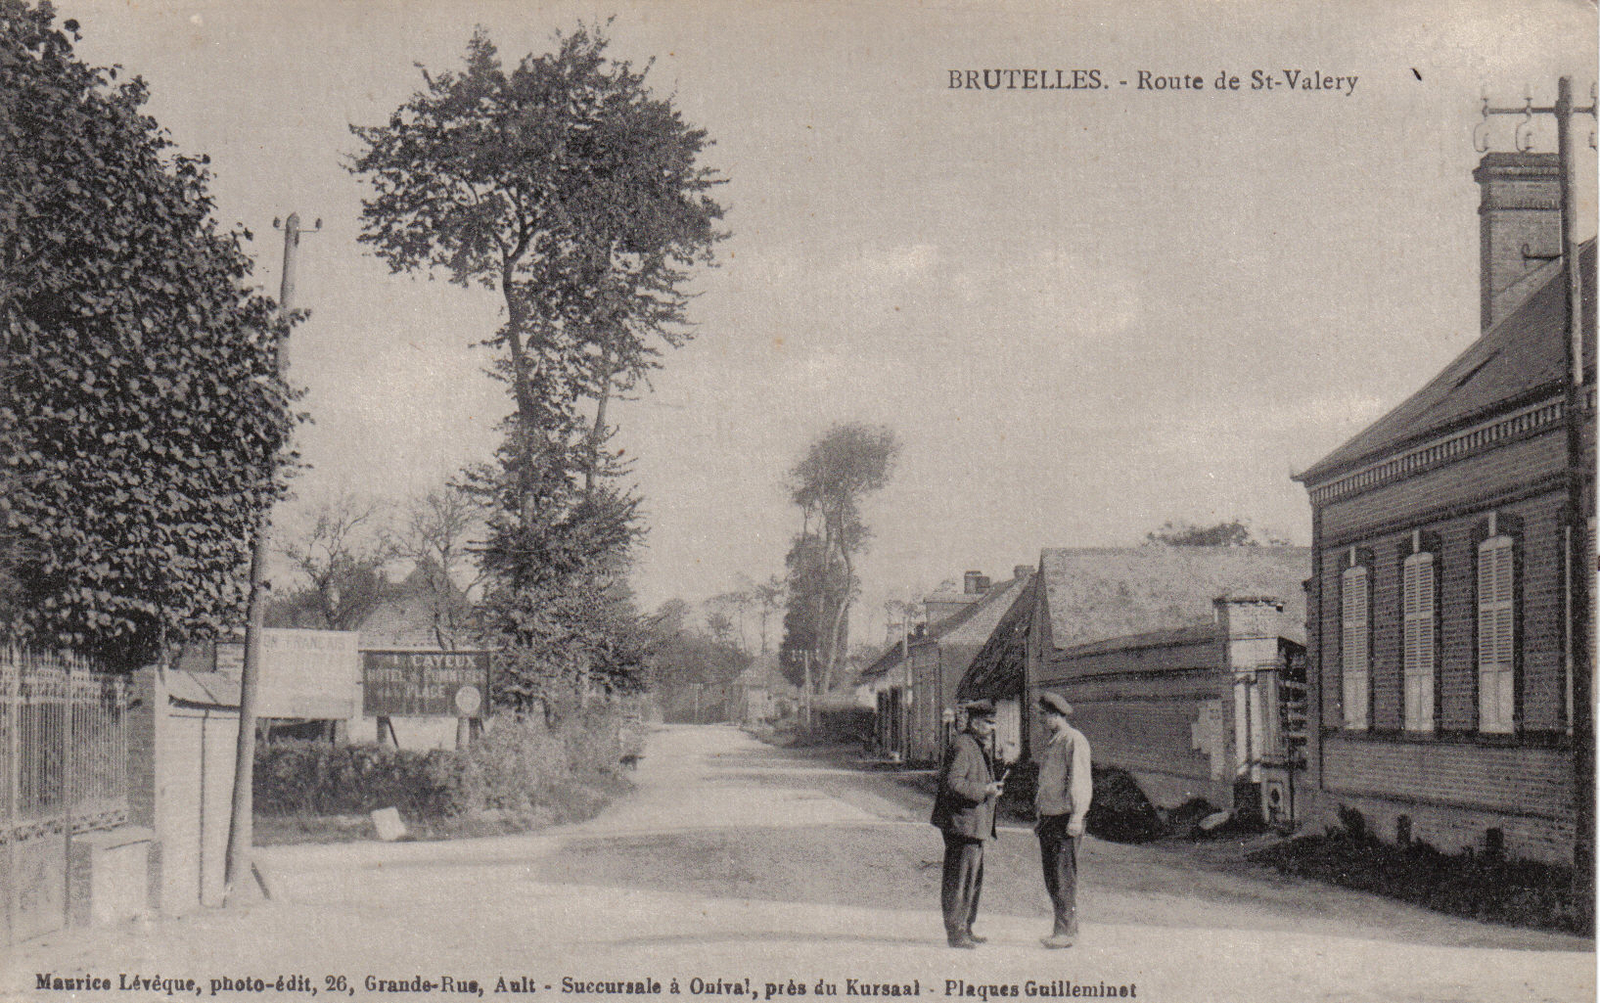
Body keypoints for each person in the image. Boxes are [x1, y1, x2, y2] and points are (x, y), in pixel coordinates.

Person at [930, 699, 1004, 949]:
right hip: (961, 825)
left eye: (994, 723)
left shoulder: (976, 744)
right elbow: (953, 784)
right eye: (988, 723)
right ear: (974, 722)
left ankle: (966, 927)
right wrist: (985, 790)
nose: (992, 728)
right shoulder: (964, 746)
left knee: (972, 879)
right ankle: (956, 932)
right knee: (959, 880)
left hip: (972, 825)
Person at [1034, 690, 1092, 949]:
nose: (1041, 720)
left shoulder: (1073, 740)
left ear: (1057, 715)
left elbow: (1080, 780)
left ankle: (1065, 932)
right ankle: (1068, 928)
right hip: (1050, 817)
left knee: (1063, 877)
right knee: (1052, 876)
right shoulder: (1055, 740)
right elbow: (1047, 782)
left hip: (1065, 818)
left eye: (1044, 715)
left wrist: (1077, 817)